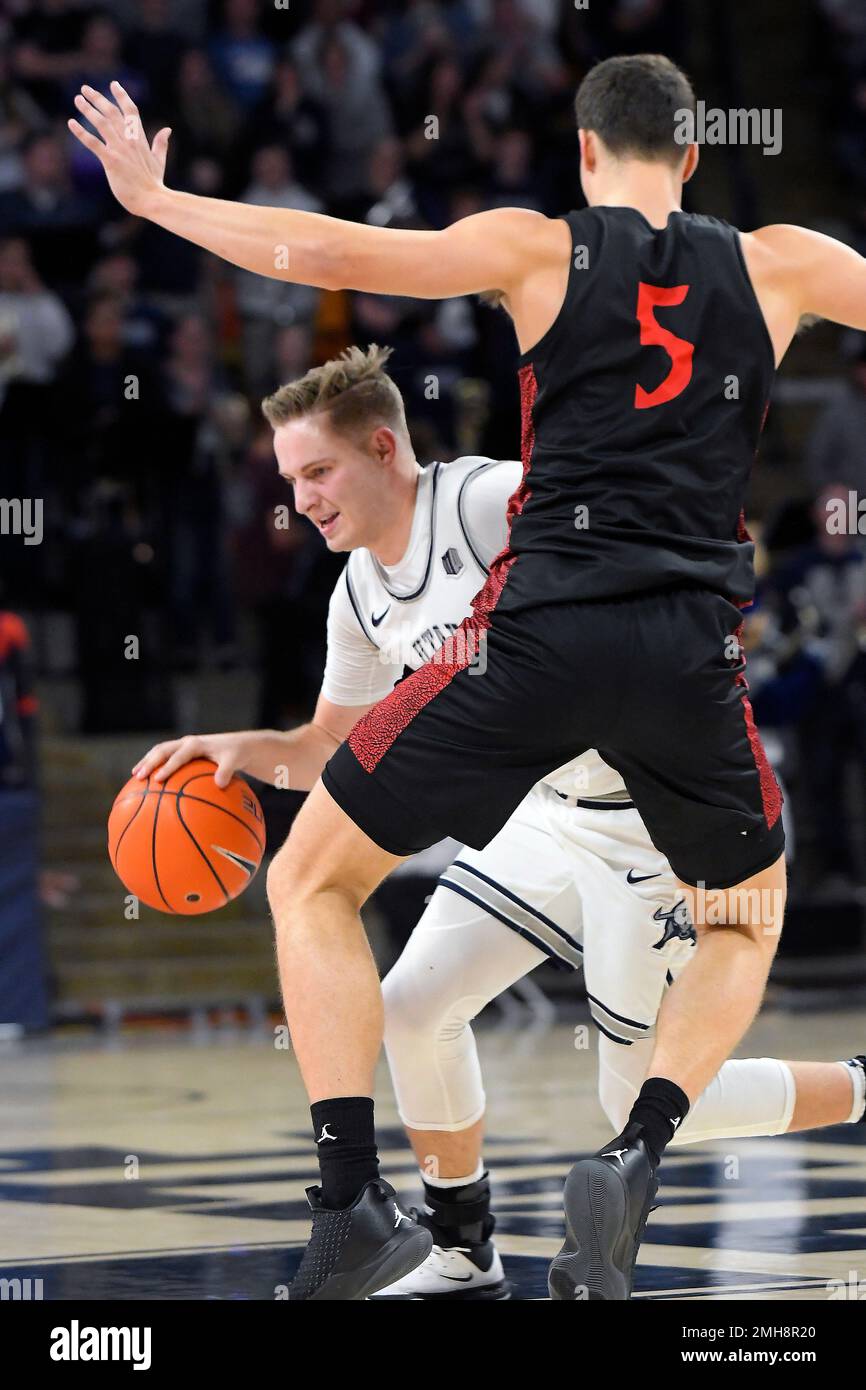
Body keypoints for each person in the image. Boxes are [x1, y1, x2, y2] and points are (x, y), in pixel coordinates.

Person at [69, 53, 866, 1300]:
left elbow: (328, 254)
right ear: (695, 154)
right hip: (686, 653)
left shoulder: (535, 246)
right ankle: (635, 1150)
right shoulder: (783, 263)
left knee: (309, 879)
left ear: (587, 154)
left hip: (537, 638)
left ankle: (345, 1204)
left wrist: (160, 205)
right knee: (747, 909)